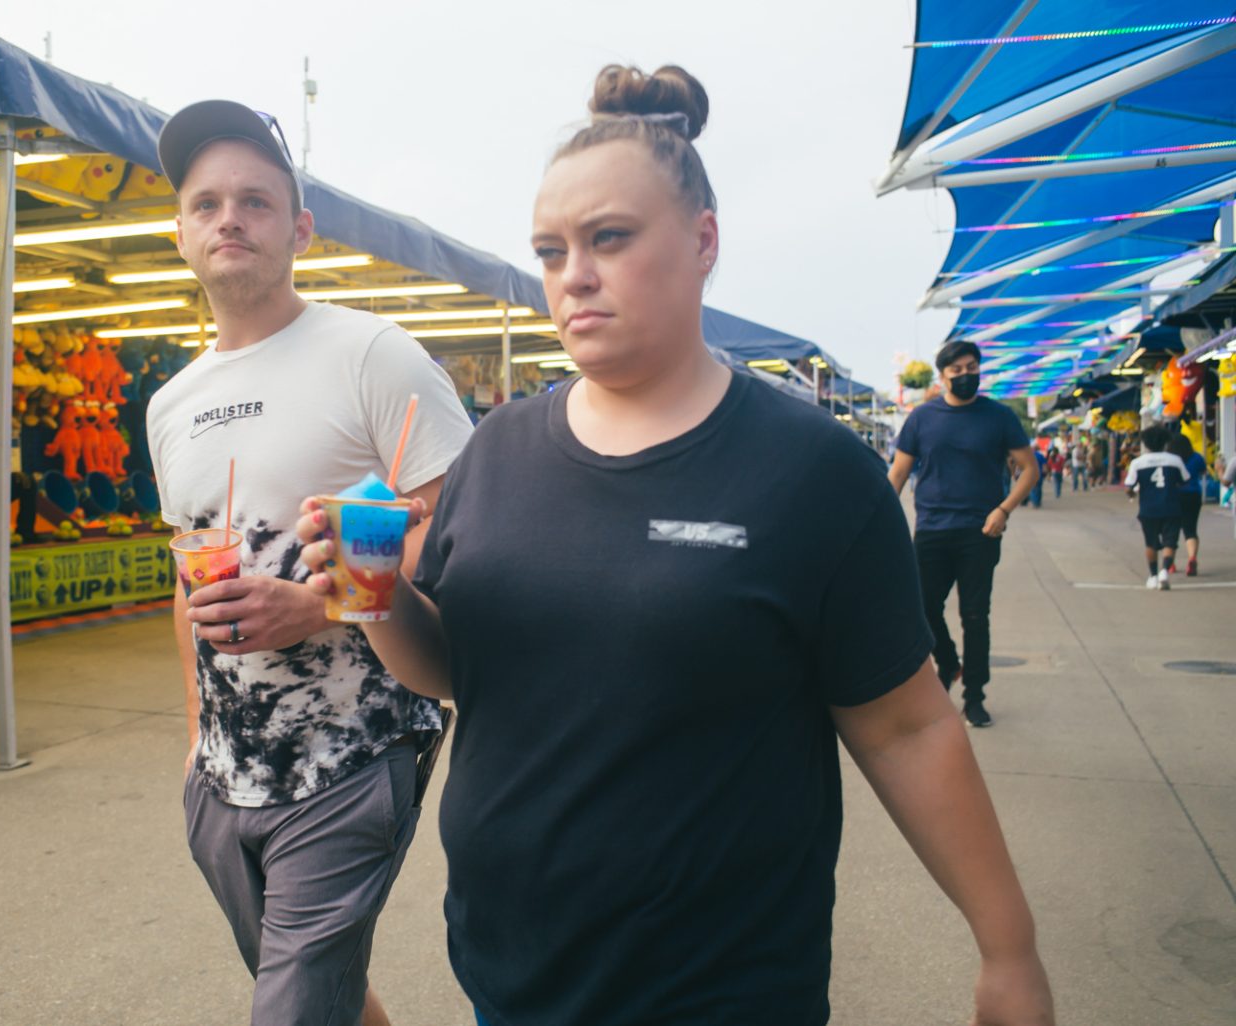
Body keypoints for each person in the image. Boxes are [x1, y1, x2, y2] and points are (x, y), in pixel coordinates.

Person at [297, 65, 1054, 1026]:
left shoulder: (811, 472)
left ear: (704, 241)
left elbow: (907, 726)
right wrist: (375, 598)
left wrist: (1008, 946)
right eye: (550, 248)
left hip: (721, 989)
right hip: (508, 972)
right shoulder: (498, 452)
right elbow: (457, 671)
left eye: (609, 237)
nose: (574, 272)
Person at [145, 99, 474, 1026]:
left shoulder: (372, 355)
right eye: (206, 203)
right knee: (314, 990)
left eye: (254, 200)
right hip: (224, 765)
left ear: (300, 228)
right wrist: (190, 737)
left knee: (292, 1009)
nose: (228, 219)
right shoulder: (170, 404)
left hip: (358, 741)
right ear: (180, 232)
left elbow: (463, 535)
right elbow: (186, 582)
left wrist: (322, 605)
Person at [888, 340, 1039, 728]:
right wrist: (880, 520)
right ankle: (949, 661)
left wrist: (1003, 510)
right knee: (920, 608)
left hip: (980, 532)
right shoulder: (922, 418)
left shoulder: (999, 417)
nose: (966, 375)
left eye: (972, 367)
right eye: (957, 370)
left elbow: (1030, 469)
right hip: (932, 531)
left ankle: (974, 696)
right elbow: (899, 474)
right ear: (942, 376)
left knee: (975, 616)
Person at [1124, 424, 1188, 591]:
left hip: (1148, 509)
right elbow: (1184, 480)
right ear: (1165, 442)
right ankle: (1165, 572)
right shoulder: (1175, 460)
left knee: (1151, 544)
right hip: (1171, 507)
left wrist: (1132, 494)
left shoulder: (1137, 463)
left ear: (1146, 443)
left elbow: (1129, 487)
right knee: (1170, 542)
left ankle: (1152, 576)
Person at [1166, 433, 1206, 576]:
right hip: (1193, 495)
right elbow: (1203, 471)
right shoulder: (1197, 457)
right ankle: (1192, 558)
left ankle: (1170, 564)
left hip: (1174, 495)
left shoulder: (1170, 459)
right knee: (1190, 529)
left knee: (1172, 530)